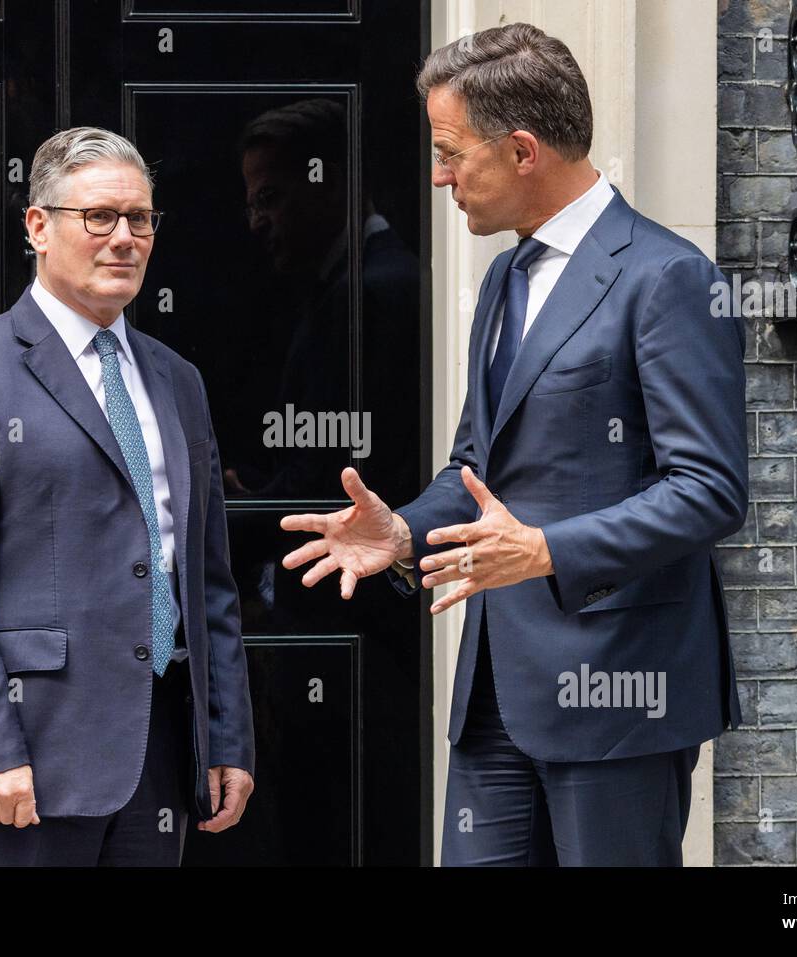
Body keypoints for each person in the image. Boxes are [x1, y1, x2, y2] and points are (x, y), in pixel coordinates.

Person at [280, 23, 748, 866]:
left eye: (451, 152)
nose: (437, 175)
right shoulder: (504, 276)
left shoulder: (667, 277)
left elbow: (710, 488)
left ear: (523, 150)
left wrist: (545, 548)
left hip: (620, 692)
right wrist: (404, 533)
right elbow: (478, 465)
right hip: (495, 687)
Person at [0, 127, 255, 866]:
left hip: (157, 755)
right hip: (24, 760)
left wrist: (224, 736)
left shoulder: (178, 380)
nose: (124, 238)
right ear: (38, 226)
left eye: (140, 218)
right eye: (99, 217)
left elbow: (208, 580)